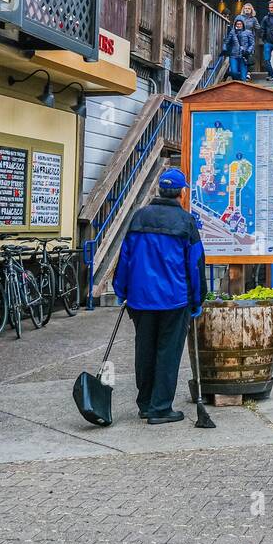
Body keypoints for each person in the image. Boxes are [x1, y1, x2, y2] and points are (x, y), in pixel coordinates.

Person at [112, 168, 207, 425]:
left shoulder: (139, 218)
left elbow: (125, 258)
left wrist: (121, 290)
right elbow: (195, 265)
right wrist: (198, 300)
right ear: (181, 193)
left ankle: (145, 403)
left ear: (159, 190)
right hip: (174, 299)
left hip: (140, 299)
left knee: (144, 349)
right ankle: (161, 407)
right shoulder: (186, 223)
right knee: (168, 352)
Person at [238, 2, 260, 73]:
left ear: (251, 10)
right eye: (246, 8)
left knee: (249, 55)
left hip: (250, 39)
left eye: (248, 8)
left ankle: (248, 73)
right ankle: (242, 73)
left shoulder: (254, 19)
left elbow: (258, 28)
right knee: (240, 55)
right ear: (243, 9)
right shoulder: (239, 17)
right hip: (240, 39)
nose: (247, 10)